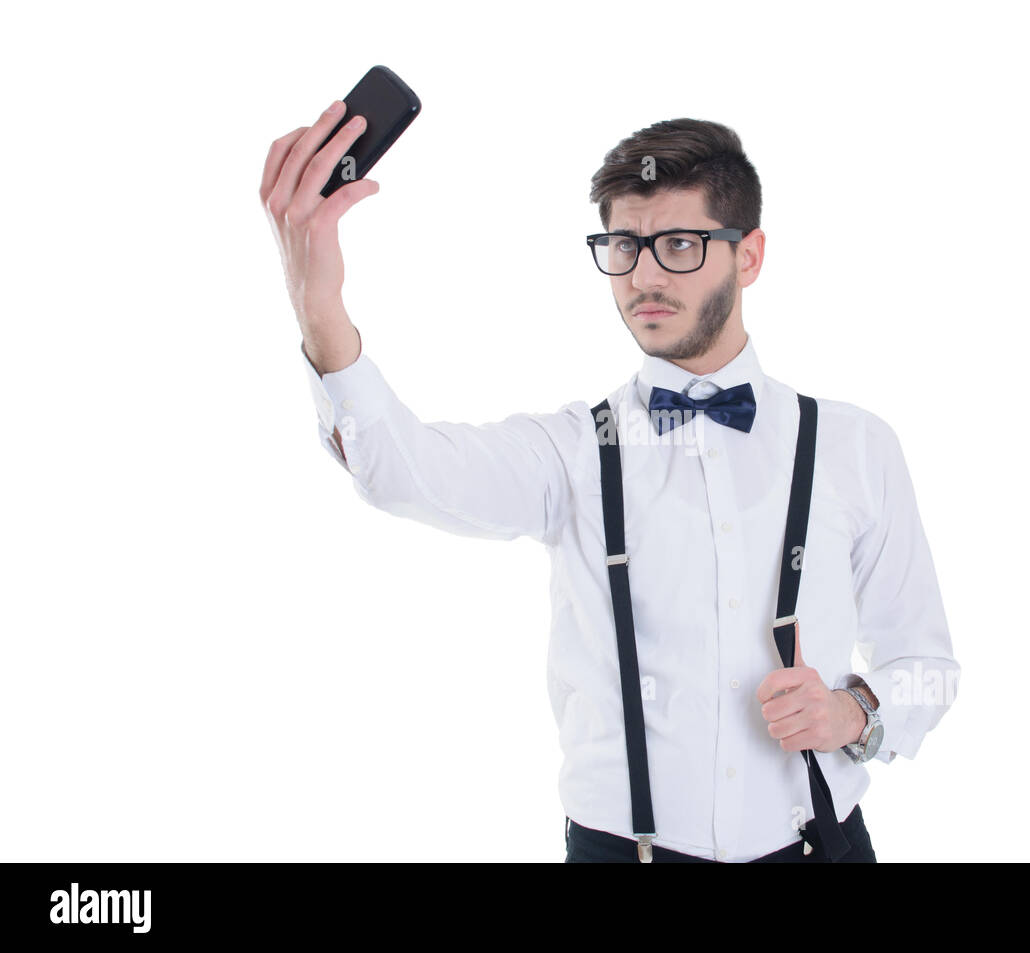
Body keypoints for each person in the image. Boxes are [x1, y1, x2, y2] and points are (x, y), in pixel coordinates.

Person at [260, 109, 960, 863]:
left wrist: (853, 712)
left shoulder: (854, 446)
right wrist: (317, 300)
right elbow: (401, 469)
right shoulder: (571, 452)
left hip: (819, 844)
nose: (646, 275)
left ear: (749, 255)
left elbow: (926, 666)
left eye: (681, 245)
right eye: (626, 245)